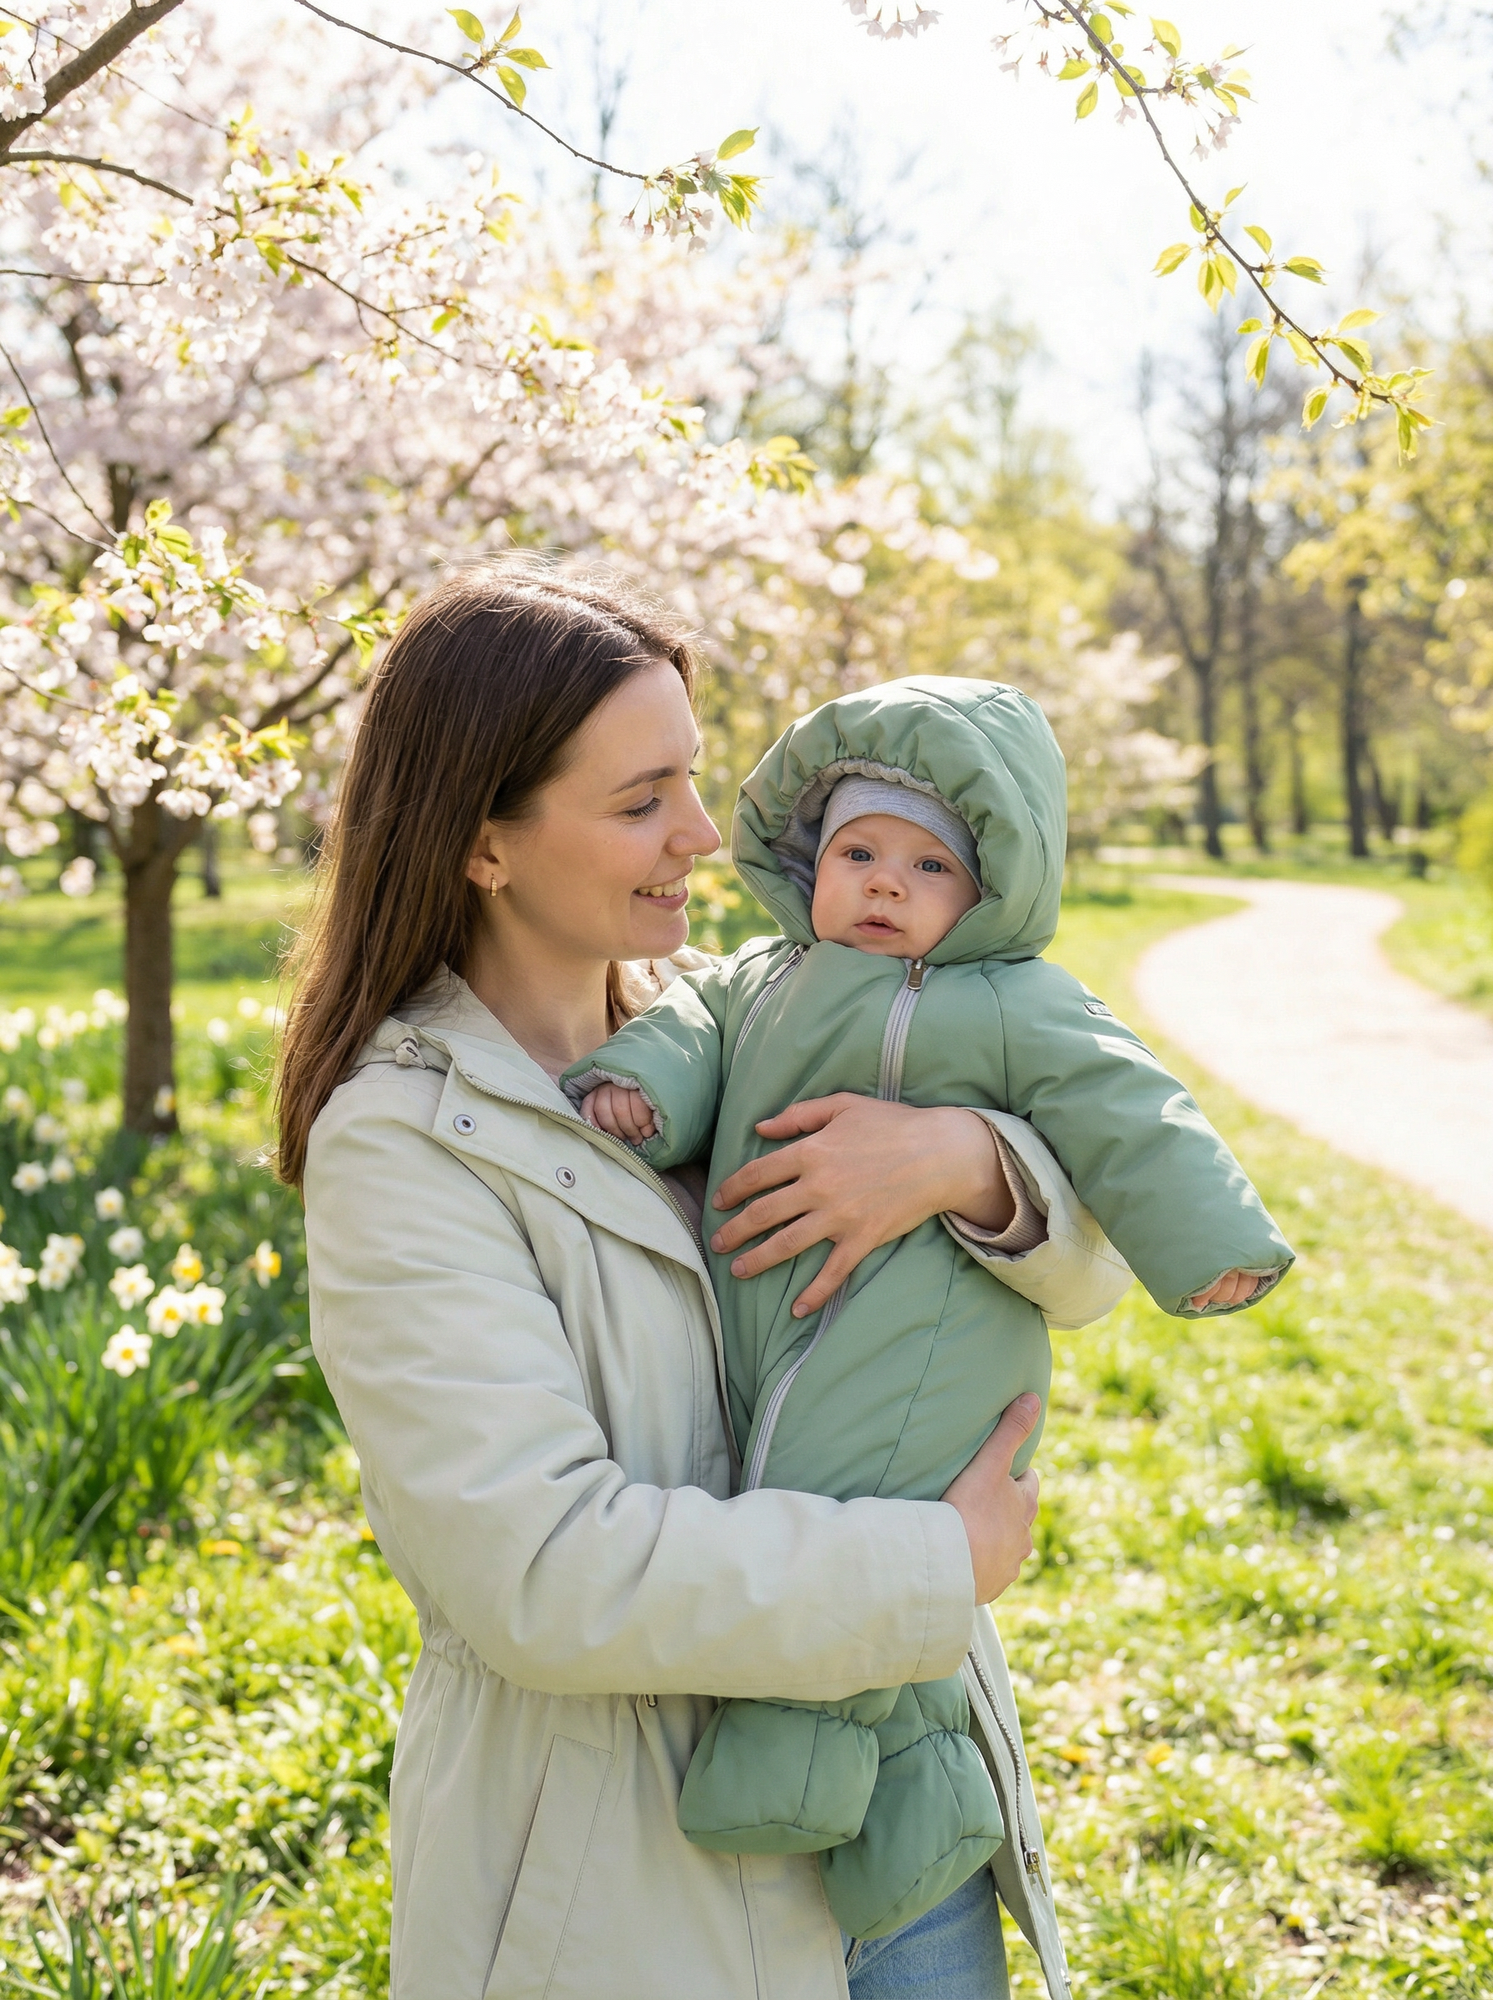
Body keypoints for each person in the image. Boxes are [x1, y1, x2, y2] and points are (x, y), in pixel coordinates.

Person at [279, 560, 1128, 2000]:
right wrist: (936, 1567)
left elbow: (1096, 1268)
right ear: (483, 844)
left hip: (899, 1816)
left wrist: (964, 1165)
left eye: (691, 775)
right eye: (638, 802)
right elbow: (542, 1570)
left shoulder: (744, 1018)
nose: (703, 832)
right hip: (634, 1877)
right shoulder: (409, 1140)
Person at [568, 676, 1294, 1942]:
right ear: (812, 860)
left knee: (854, 1510)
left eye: (927, 864)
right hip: (780, 1329)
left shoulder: (1011, 1002)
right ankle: (920, 1813)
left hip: (928, 1345)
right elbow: (684, 1032)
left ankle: (785, 1775)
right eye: (857, 851)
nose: (884, 884)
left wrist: (1209, 1245)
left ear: (986, 892)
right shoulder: (755, 976)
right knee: (831, 1538)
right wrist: (641, 1087)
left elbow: (1132, 1114)